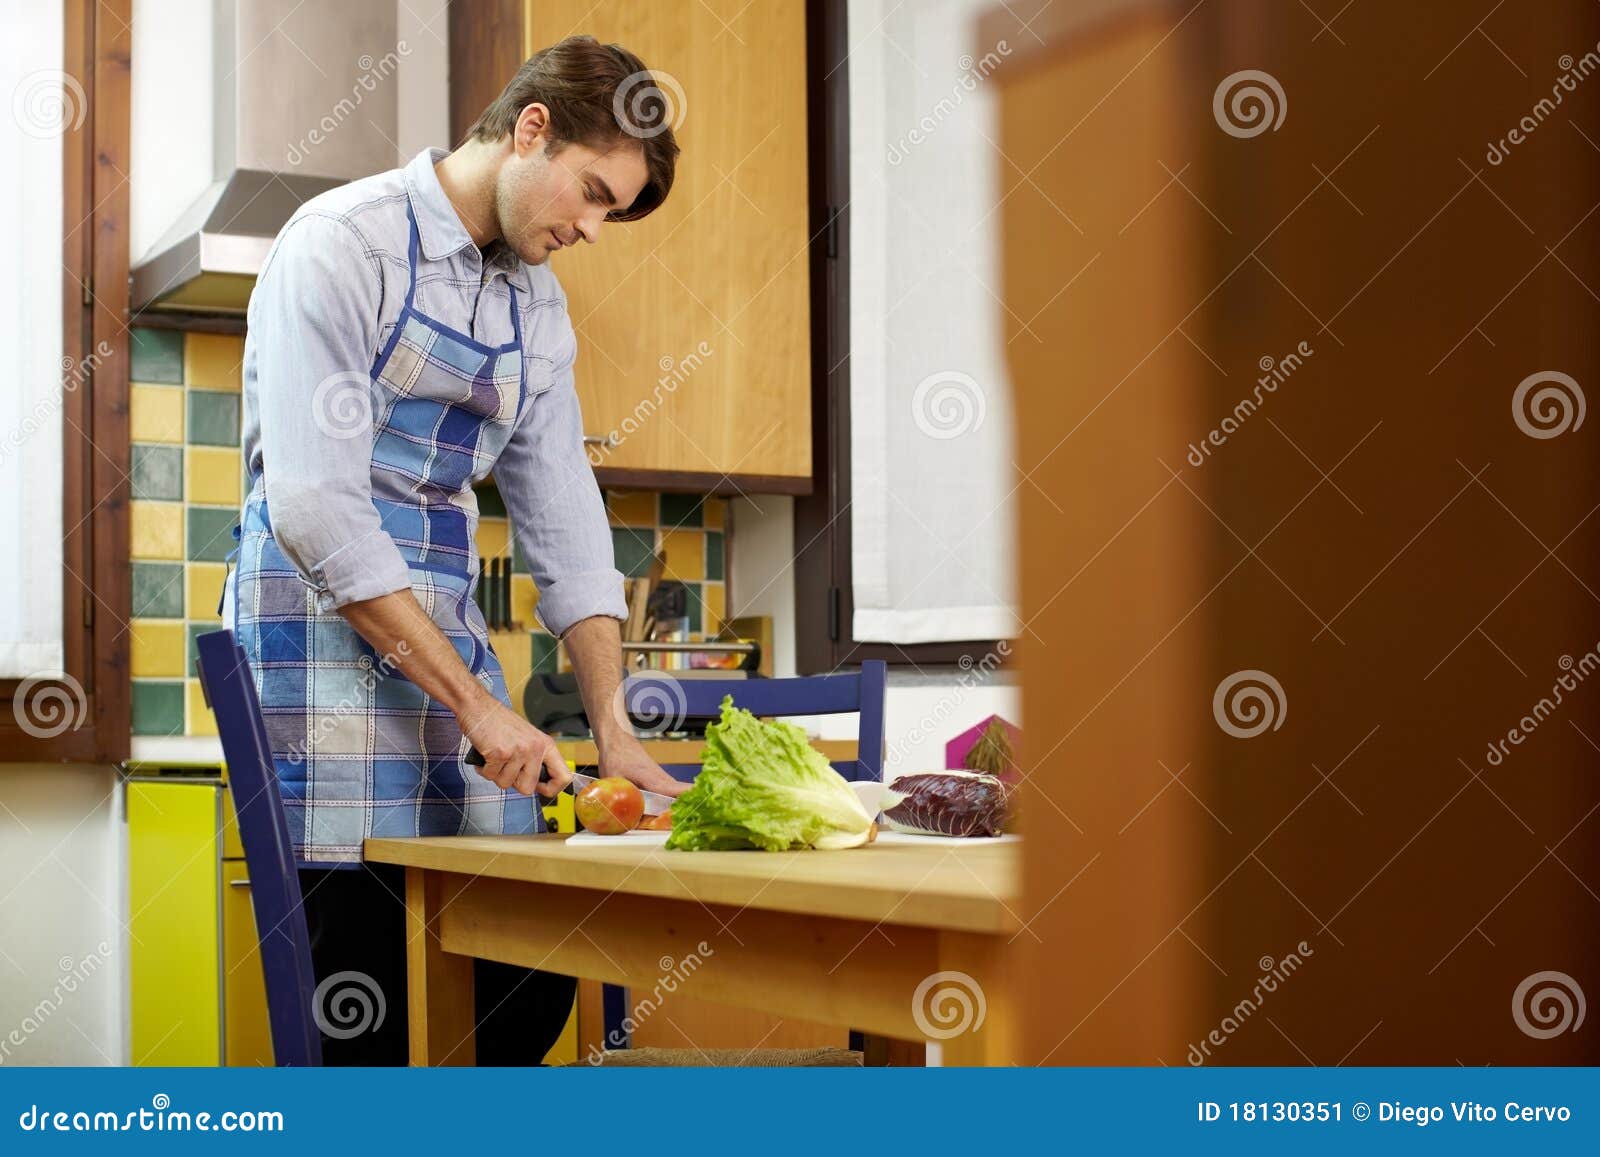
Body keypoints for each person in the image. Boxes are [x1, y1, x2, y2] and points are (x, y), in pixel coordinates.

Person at [226, 35, 686, 1065]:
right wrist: (476, 706)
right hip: (318, 650)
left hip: (444, 635)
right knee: (366, 1006)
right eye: (594, 193)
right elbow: (315, 507)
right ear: (531, 129)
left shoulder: (538, 305)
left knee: (527, 982)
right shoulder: (341, 243)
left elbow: (564, 516)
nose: (593, 229)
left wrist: (612, 726)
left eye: (610, 211)